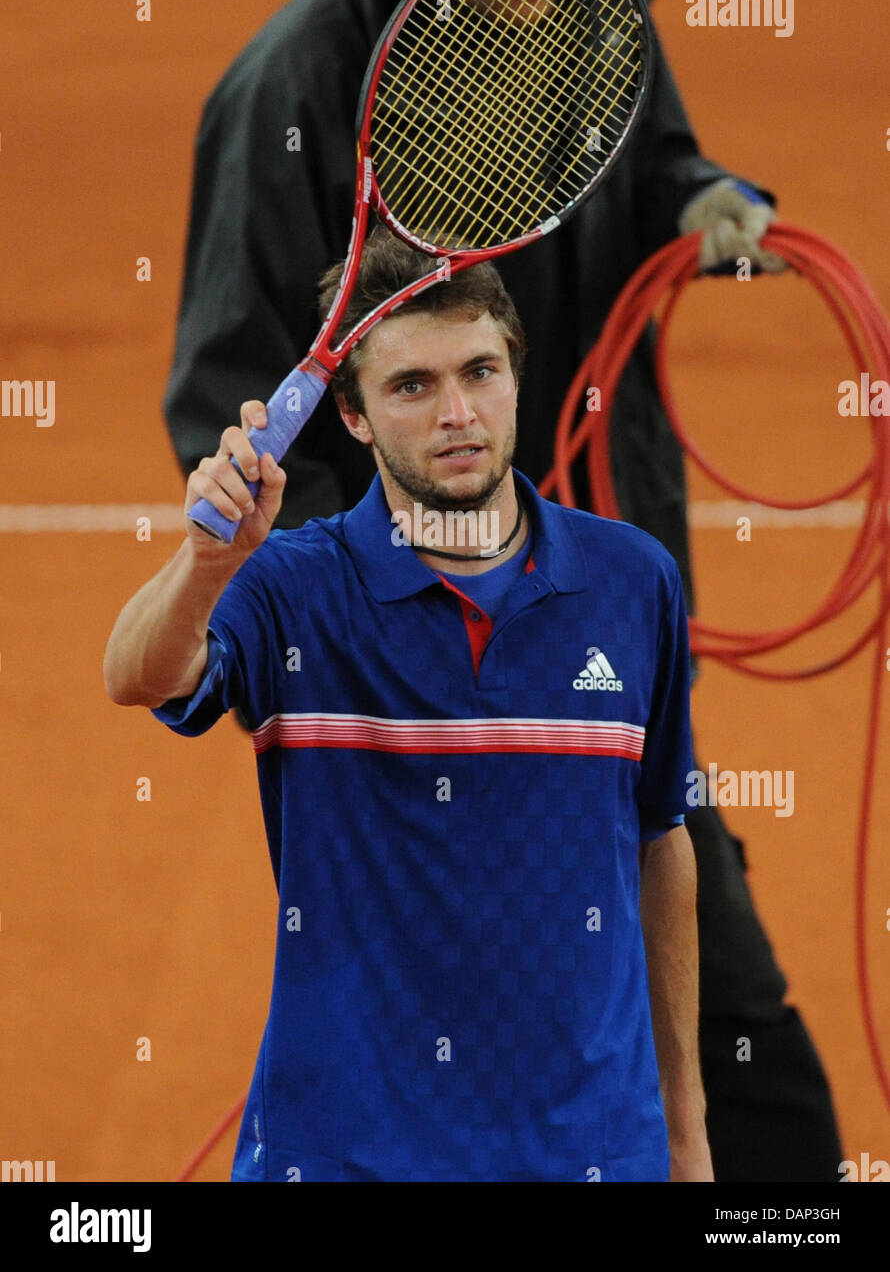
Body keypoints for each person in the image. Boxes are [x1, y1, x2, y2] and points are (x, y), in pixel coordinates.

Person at [162, 0, 843, 1181]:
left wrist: (699, 200)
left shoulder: (593, 3)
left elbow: (637, 170)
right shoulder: (291, 86)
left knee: (724, 998)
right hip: (403, 665)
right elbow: (221, 391)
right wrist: (394, 601)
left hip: (586, 600)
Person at [106, 229, 712, 1182]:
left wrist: (686, 1135)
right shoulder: (292, 590)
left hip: (590, 1152)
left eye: (479, 370)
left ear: (517, 375)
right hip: (347, 1157)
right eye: (411, 386)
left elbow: (660, 837)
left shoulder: (634, 583)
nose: (458, 414)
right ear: (351, 414)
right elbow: (137, 673)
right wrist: (208, 562)